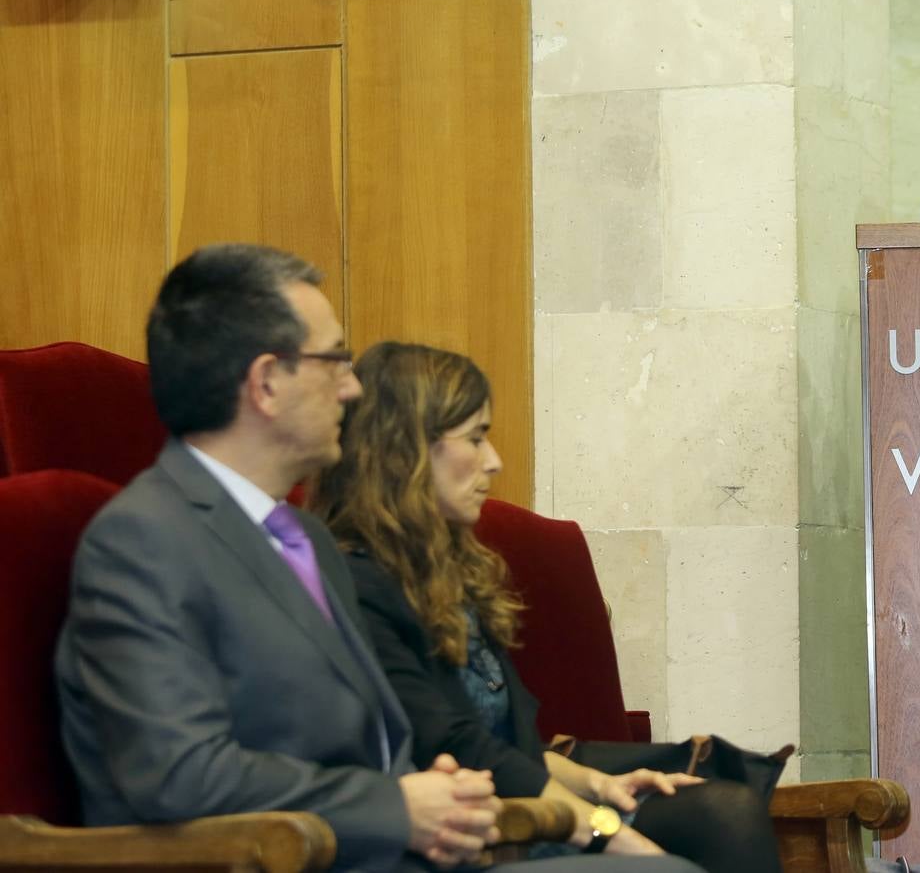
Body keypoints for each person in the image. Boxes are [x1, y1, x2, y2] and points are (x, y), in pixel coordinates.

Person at [54, 244, 703, 873]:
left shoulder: (306, 543)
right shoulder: (143, 541)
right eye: (334, 360)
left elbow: (378, 741)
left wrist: (443, 796)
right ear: (266, 383)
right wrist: (397, 804)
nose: (352, 387)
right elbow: (176, 775)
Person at [309, 342, 784, 873]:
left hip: (530, 800)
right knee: (699, 836)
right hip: (475, 830)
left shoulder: (451, 573)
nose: (494, 461)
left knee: (724, 810)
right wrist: (603, 828)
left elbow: (515, 743)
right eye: (474, 439)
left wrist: (599, 783)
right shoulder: (354, 583)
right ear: (406, 453)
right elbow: (457, 746)